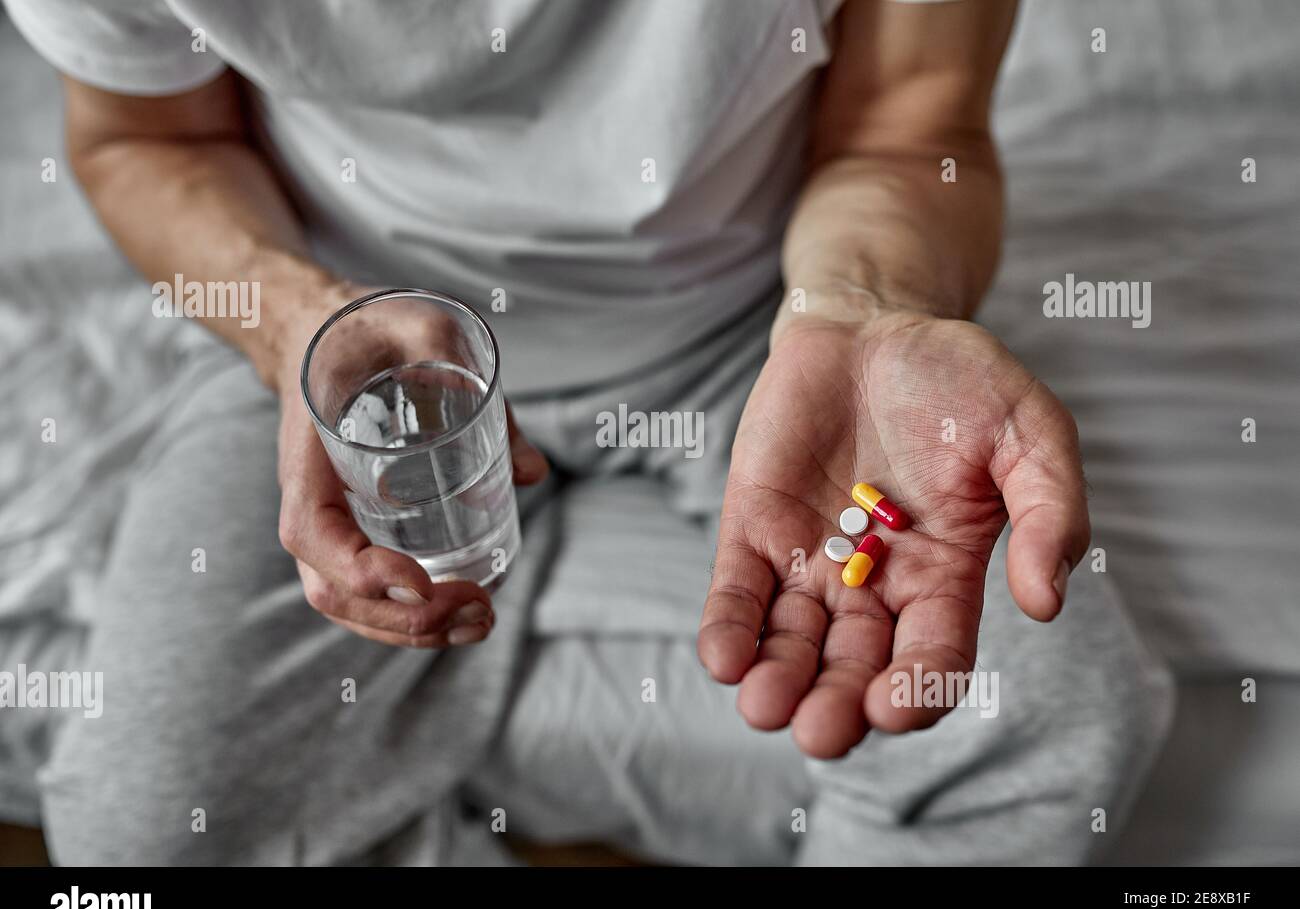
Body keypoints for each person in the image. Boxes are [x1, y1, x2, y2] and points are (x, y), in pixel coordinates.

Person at [7, 0, 1172, 865]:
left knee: (1058, 723)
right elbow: (149, 141)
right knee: (136, 834)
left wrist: (866, 308)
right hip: (357, 337)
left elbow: (909, 130)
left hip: (774, 328)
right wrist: (294, 325)